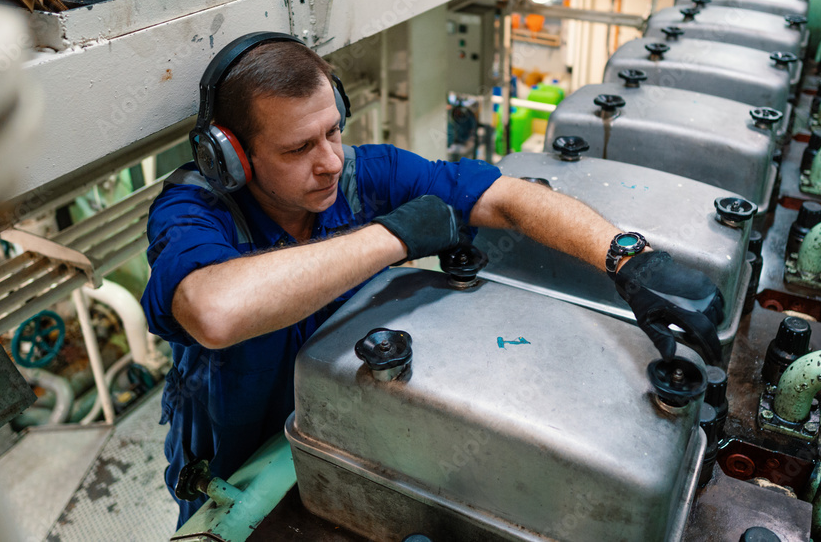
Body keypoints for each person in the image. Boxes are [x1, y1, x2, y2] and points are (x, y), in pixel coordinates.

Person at [141, 32, 724, 527]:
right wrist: (393, 235)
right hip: (236, 463)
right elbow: (214, 311)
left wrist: (627, 258)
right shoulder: (194, 212)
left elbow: (509, 199)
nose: (331, 162)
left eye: (333, 132)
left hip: (349, 428)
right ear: (233, 158)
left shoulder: (365, 175)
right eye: (299, 149)